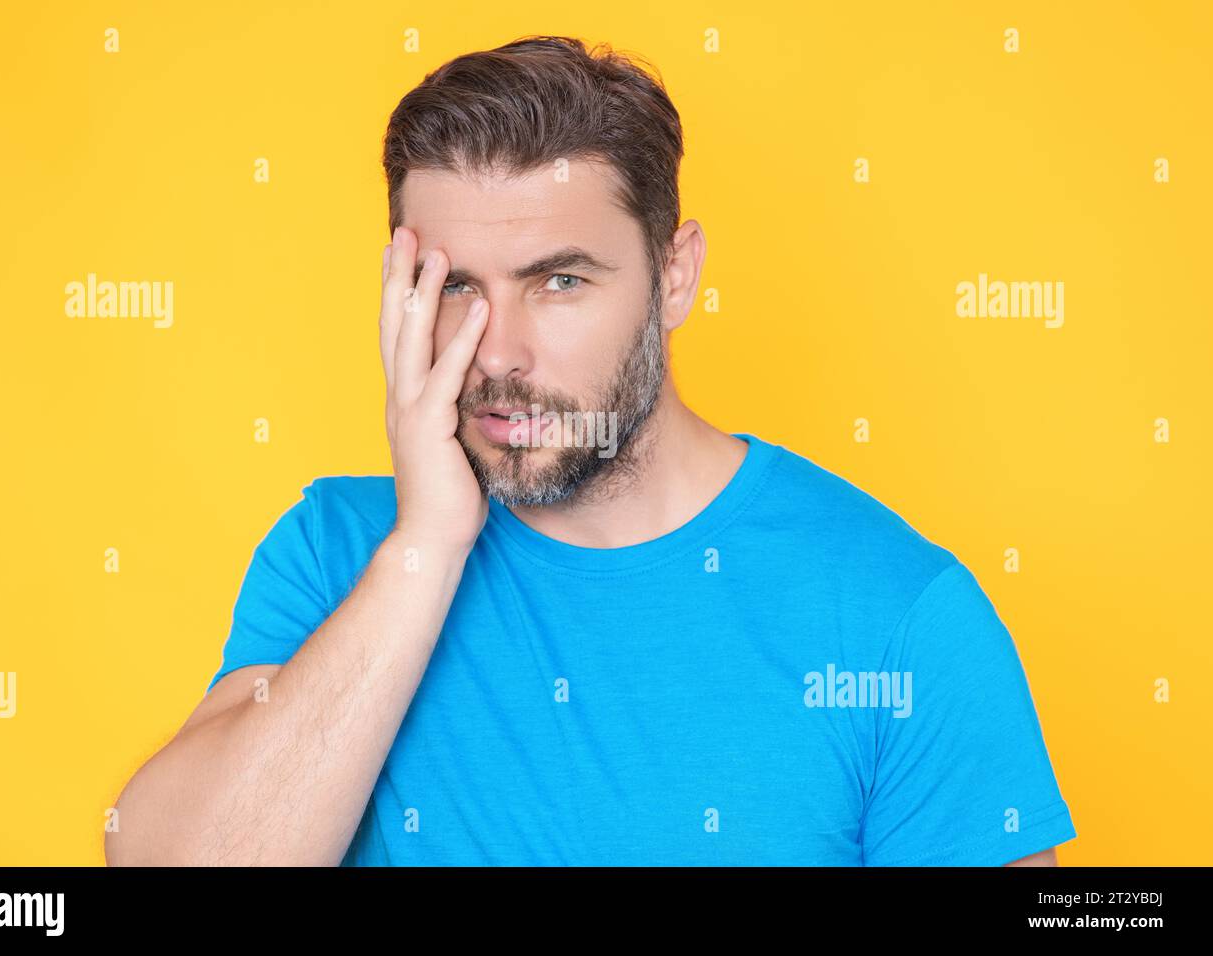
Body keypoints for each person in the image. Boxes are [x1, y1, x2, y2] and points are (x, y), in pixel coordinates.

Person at [106, 35, 1075, 867]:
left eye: (559, 280)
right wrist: (430, 541)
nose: (497, 351)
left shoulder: (898, 614)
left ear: (674, 276)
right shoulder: (339, 552)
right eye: (454, 287)